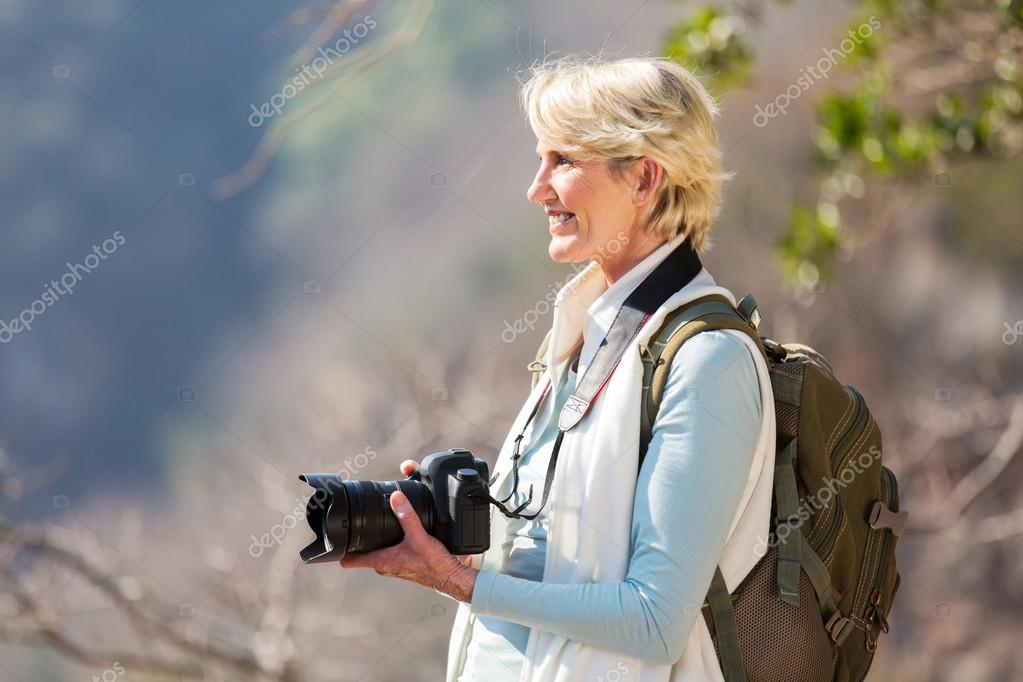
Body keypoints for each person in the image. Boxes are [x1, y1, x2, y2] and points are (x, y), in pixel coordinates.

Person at [339, 55, 777, 682]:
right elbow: (555, 562)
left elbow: (653, 622)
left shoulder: (708, 361)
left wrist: (460, 583)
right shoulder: (587, 333)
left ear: (644, 178)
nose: (536, 188)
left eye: (563, 161)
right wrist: (446, 531)